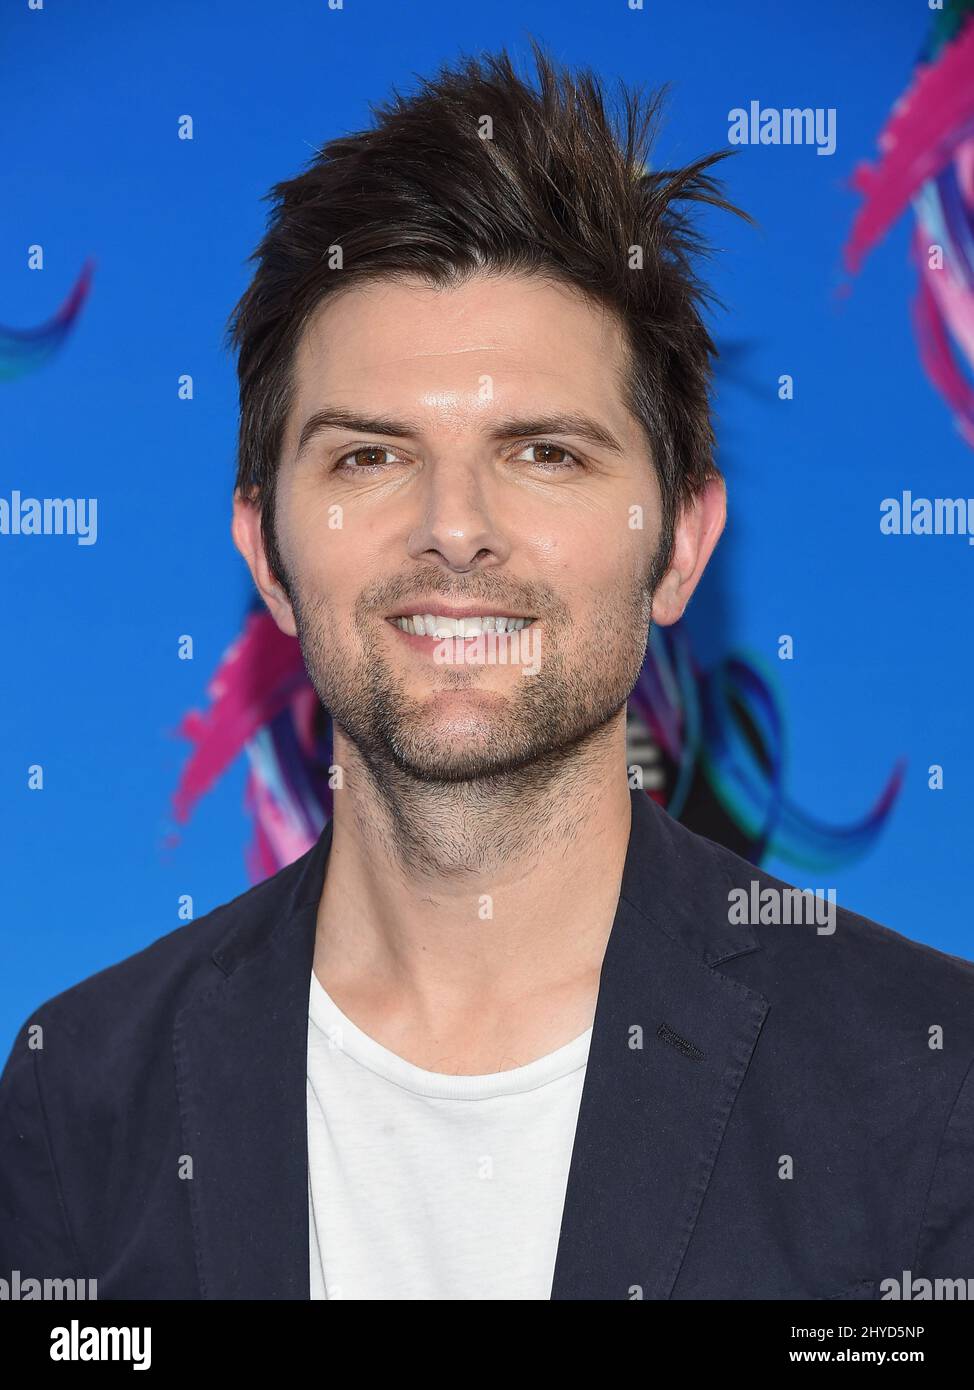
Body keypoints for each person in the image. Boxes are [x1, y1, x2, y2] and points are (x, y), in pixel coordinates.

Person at [2, 42, 972, 1302]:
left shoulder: (928, 1089)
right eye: (368, 457)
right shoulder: (79, 1093)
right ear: (267, 554)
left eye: (543, 453)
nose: (452, 526)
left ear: (677, 543)